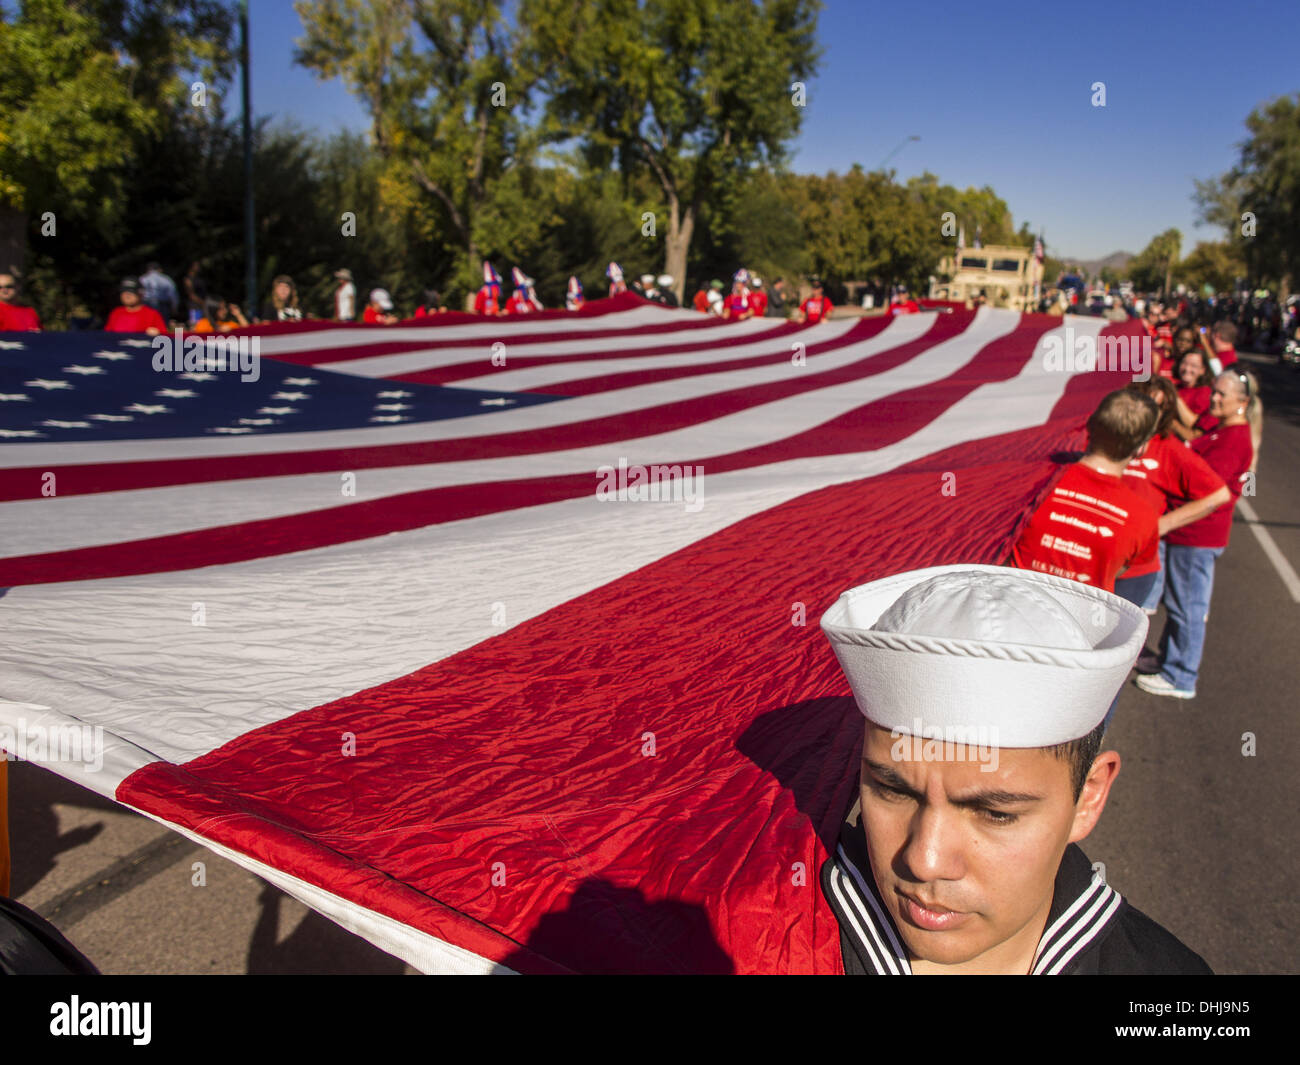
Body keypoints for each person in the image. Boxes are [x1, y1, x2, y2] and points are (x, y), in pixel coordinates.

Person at [819, 565, 1212, 974]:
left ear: (1088, 797)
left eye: (996, 813)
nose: (926, 861)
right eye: (893, 790)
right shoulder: (769, 935)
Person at [1136, 371, 1260, 699]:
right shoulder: (1221, 431)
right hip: (1189, 535)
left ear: (1242, 403)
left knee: (1187, 606)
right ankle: (1171, 661)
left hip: (1196, 537)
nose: (1213, 399)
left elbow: (1206, 491)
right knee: (1180, 604)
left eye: (1221, 395)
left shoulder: (1233, 440)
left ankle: (1181, 676)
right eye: (1214, 392)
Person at [1010, 389, 1160, 595]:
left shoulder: (1031, 480)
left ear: (1089, 425)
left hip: (1011, 614)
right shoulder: (1144, 518)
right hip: (1082, 624)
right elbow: (1119, 570)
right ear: (1142, 447)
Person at [1114, 377, 1228, 618]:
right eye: (1146, 403)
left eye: (1160, 407)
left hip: (1133, 567)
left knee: (1117, 636)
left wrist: (1161, 525)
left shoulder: (1168, 448)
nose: (1151, 413)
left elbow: (1219, 494)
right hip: (1094, 554)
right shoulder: (1111, 436)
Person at [182, 261, 207, 326]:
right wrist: (202, 302)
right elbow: (191, 294)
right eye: (196, 266)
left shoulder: (198, 278)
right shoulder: (188, 279)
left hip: (201, 305)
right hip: (194, 306)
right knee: (195, 325)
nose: (198, 268)